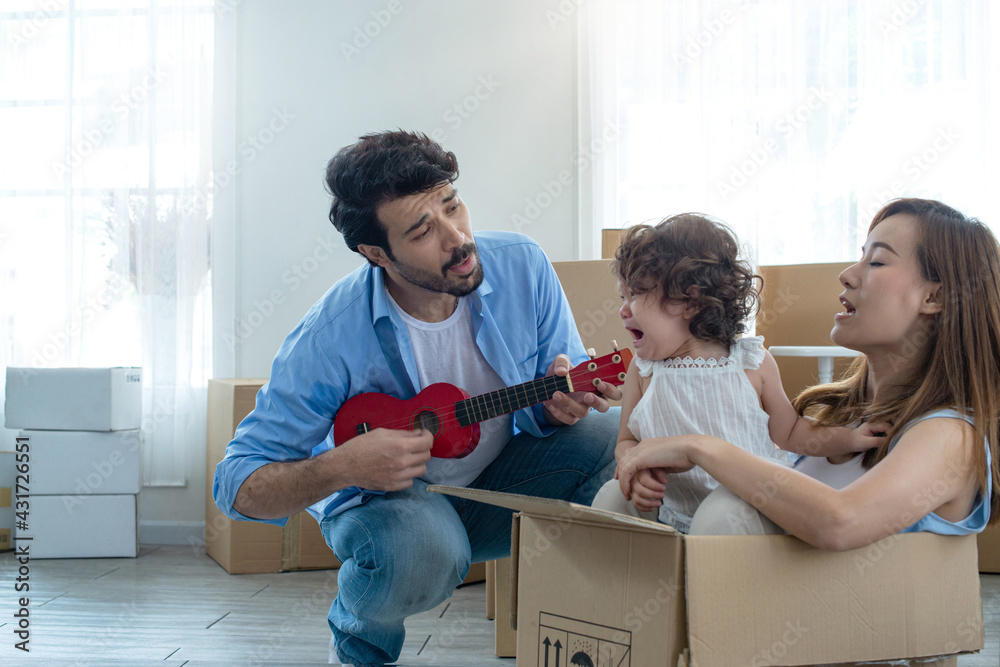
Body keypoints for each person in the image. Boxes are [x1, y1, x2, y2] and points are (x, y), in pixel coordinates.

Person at [212, 130, 621, 666]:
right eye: (424, 231)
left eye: (453, 206)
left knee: (614, 440)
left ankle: (592, 625)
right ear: (376, 252)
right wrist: (339, 467)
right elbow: (236, 483)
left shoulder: (523, 266)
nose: (457, 240)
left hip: (495, 493)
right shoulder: (331, 335)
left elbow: (564, 392)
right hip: (394, 517)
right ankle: (360, 650)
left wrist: (559, 406)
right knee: (420, 549)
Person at [617, 199, 999, 548]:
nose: (847, 275)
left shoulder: (950, 436)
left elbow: (841, 521)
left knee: (725, 511)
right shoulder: (839, 421)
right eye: (859, 257)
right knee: (616, 496)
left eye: (877, 262)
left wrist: (699, 447)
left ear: (934, 297)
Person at [591, 213, 886, 533]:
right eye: (623, 296)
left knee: (722, 511)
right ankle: (629, 582)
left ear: (690, 301)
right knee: (611, 496)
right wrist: (634, 465)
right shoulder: (643, 370)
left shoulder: (750, 363)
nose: (622, 309)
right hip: (673, 516)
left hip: (749, 515)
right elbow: (627, 441)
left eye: (635, 295)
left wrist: (850, 437)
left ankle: (718, 579)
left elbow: (792, 434)